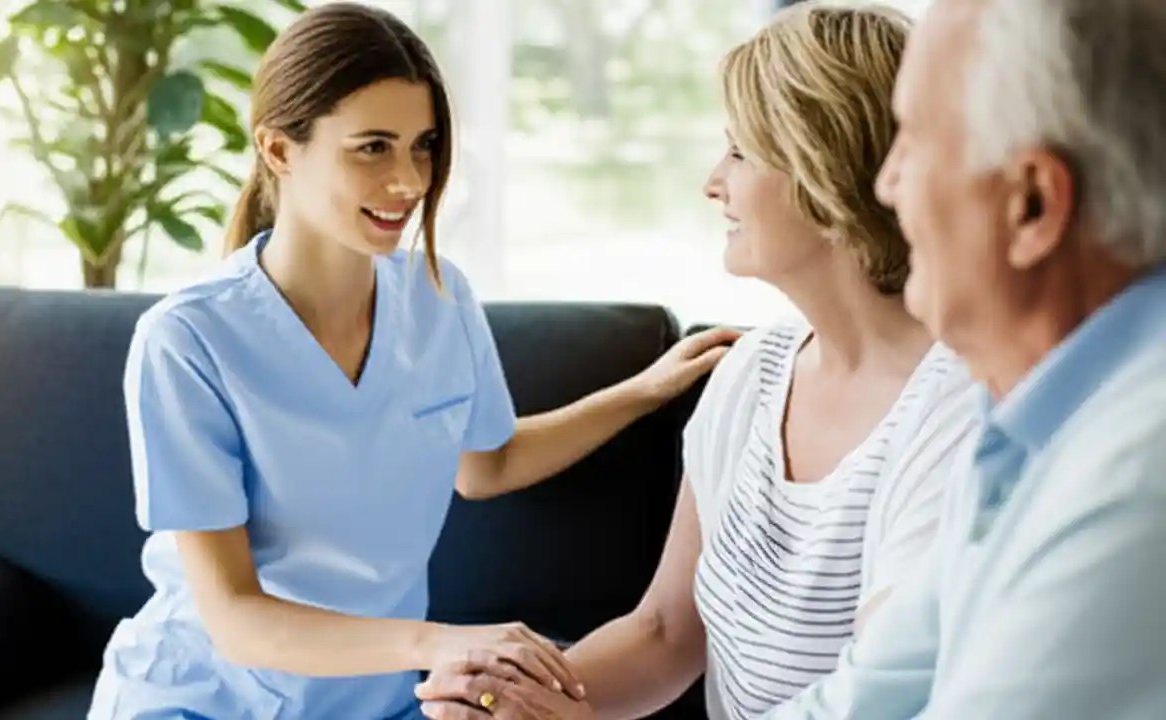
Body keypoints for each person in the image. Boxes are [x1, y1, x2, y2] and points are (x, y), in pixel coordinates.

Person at [85, 4, 737, 719]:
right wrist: (441, 643)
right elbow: (235, 616)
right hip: (201, 701)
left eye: (422, 145)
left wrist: (647, 389)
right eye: (373, 147)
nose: (410, 180)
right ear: (278, 149)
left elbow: (486, 465)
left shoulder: (439, 296)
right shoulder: (188, 340)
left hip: (384, 701)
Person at [415, 4, 979, 719]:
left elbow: (886, 704)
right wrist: (506, 698)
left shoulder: (959, 407)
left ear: (825, 173)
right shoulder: (750, 375)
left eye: (740, 152)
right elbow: (664, 636)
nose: (714, 183)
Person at [763, 0, 1166, 716]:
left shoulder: (1141, 469)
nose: (885, 185)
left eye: (913, 142)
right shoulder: (1028, 416)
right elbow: (859, 700)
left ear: (1032, 205)